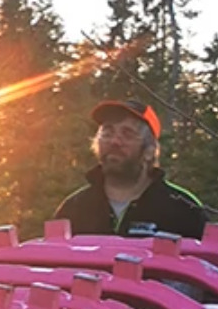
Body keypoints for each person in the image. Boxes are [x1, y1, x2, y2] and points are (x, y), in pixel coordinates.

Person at [54, 99, 207, 238]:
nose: (115, 141)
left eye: (127, 134)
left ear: (150, 151)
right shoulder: (74, 208)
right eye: (107, 133)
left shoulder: (184, 209)